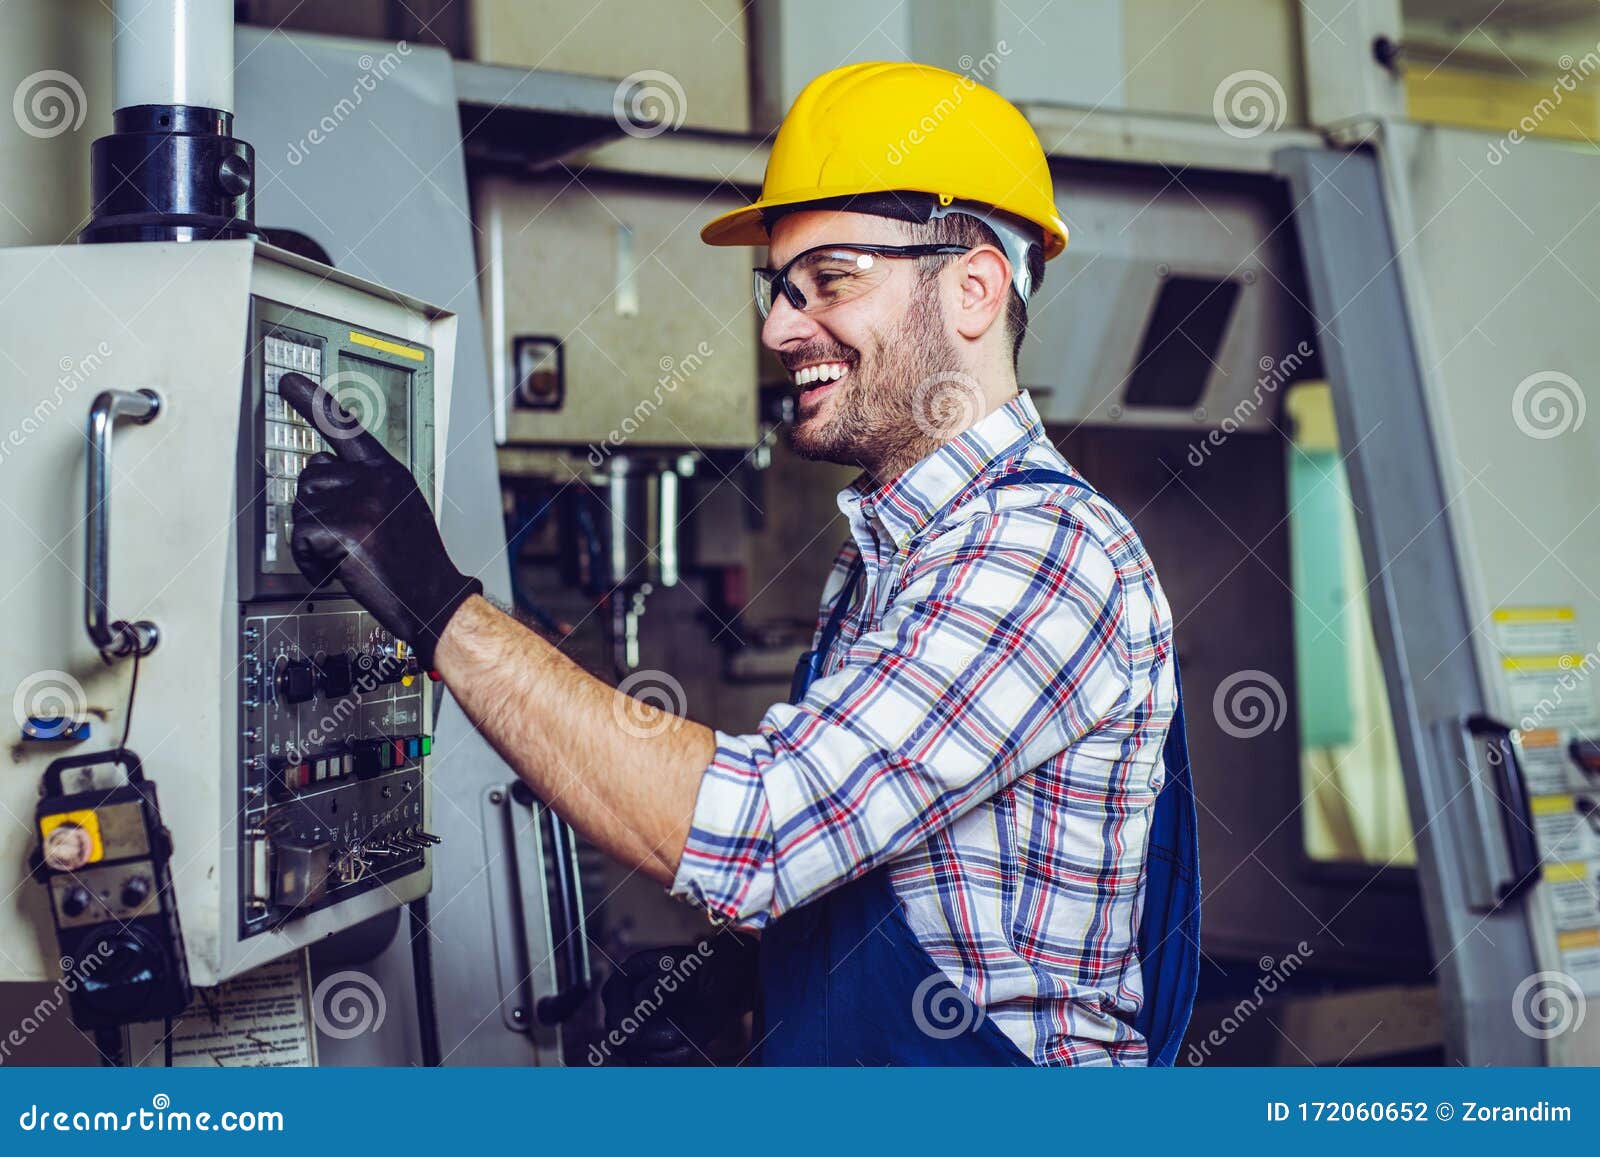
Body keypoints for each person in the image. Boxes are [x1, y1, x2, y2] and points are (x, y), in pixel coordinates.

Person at [280, 61, 1196, 1067]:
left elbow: (760, 832)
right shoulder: (897, 557)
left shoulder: (1035, 555)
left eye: (831, 281)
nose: (777, 328)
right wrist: (746, 977)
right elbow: (889, 863)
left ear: (973, 288)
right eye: (778, 289)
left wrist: (438, 606)